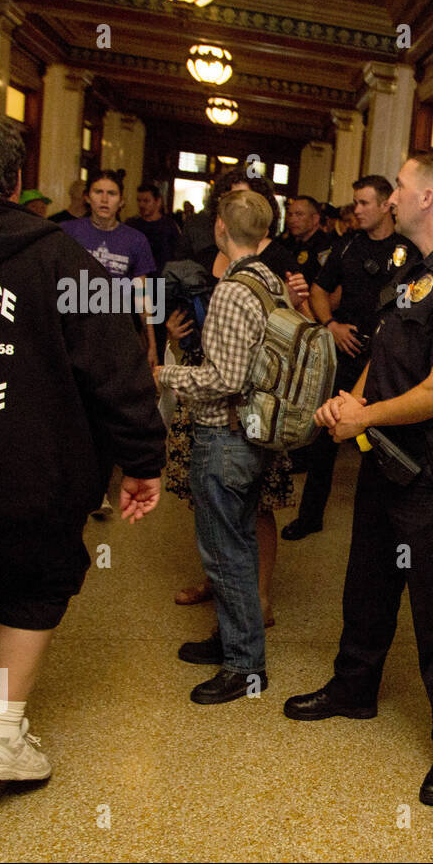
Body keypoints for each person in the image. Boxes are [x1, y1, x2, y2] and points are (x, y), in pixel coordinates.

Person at [0, 112, 164, 817]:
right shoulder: (64, 261)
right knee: (36, 580)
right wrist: (144, 460)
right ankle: (1, 731)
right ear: (18, 182)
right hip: (28, 475)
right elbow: (118, 374)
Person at [284, 148, 433, 808]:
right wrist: (350, 403)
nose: (389, 196)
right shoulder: (416, 274)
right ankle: (353, 689)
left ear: (430, 197)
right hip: (384, 456)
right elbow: (385, 355)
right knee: (367, 584)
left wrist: (363, 417)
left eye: (401, 186)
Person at [155, 189, 283, 705]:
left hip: (224, 434)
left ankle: (244, 666)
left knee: (224, 552)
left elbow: (224, 376)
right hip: (253, 431)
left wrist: (164, 372)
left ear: (220, 231)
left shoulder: (232, 290)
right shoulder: (271, 281)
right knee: (240, 544)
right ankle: (231, 639)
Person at [165, 171, 304, 627]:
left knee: (246, 511)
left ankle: (249, 617)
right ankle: (227, 595)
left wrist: (163, 375)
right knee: (218, 518)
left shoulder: (263, 271)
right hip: (210, 399)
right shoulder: (220, 262)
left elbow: (252, 360)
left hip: (240, 411)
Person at [282, 174, 419, 540]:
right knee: (326, 437)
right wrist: (330, 325)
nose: (356, 210)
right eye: (355, 203)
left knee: (385, 442)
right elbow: (318, 290)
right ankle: (310, 515)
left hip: (390, 359)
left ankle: (387, 527)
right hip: (349, 352)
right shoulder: (347, 246)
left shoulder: (411, 248)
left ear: (387, 204)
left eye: (363, 203)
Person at [61, 169, 159, 369]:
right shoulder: (67, 232)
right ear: (87, 197)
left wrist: (151, 344)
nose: (104, 199)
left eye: (111, 194)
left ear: (122, 201)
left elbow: (142, 294)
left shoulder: (135, 240)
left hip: (116, 332)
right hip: (73, 329)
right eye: (98, 192)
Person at [128, 182, 183, 361]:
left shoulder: (169, 227)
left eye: (147, 200)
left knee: (158, 334)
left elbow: (178, 259)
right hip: (135, 288)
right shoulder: (132, 225)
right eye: (139, 201)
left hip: (160, 289)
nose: (143, 205)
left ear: (158, 202)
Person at [278, 195, 334, 286]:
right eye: (290, 214)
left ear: (315, 219)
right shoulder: (288, 243)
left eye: (299, 214)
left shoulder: (324, 246)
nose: (292, 220)